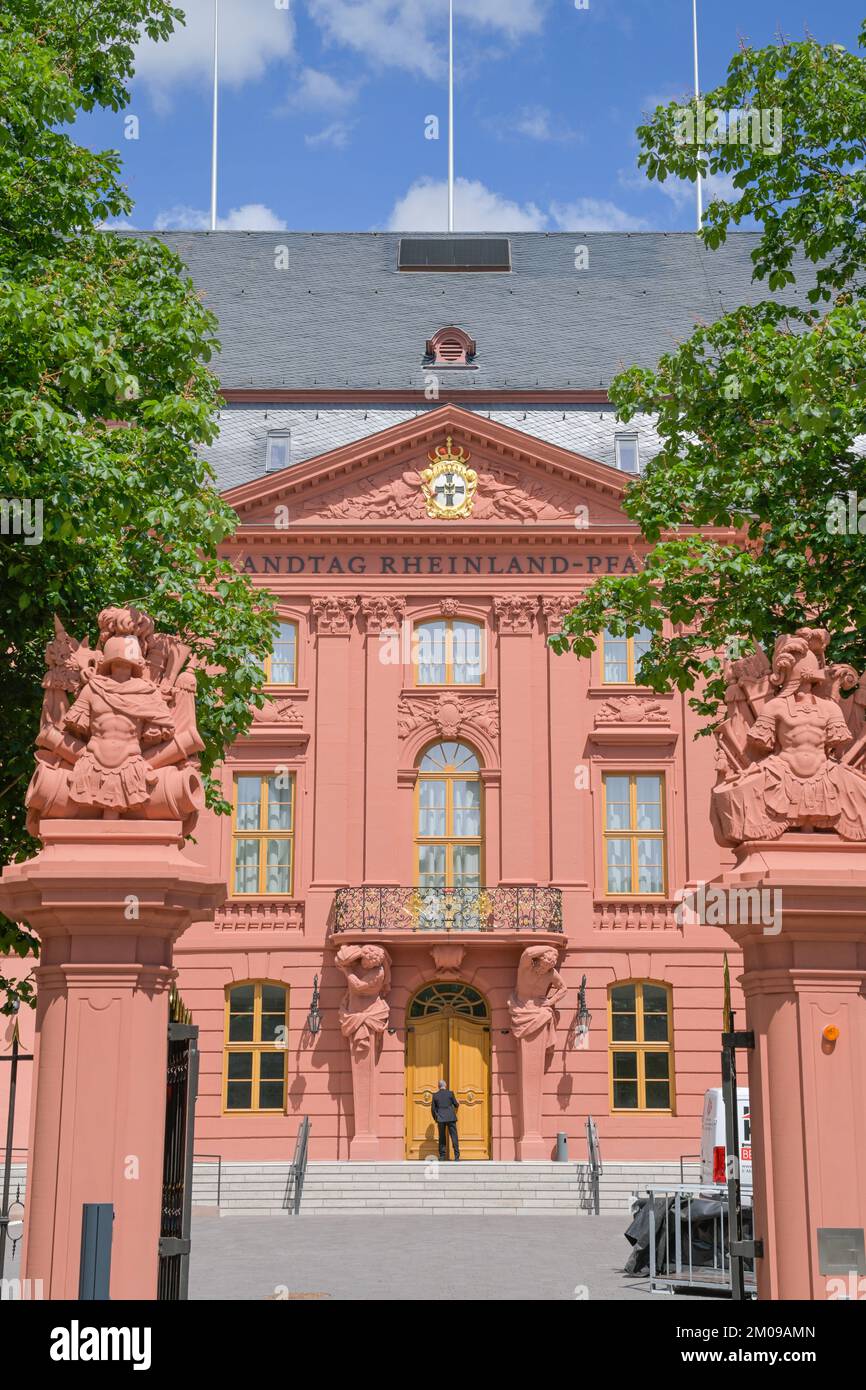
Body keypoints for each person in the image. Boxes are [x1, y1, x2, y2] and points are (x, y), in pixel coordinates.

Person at [431, 1079, 460, 1160]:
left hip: (440, 1118)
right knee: (454, 1136)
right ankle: (456, 1156)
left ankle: (442, 1156)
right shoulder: (450, 1093)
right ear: (445, 1085)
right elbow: (456, 1104)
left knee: (442, 1137)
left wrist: (436, 1118)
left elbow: (433, 1109)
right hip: (451, 1117)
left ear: (438, 1086)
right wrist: (458, 1103)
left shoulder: (435, 1095)